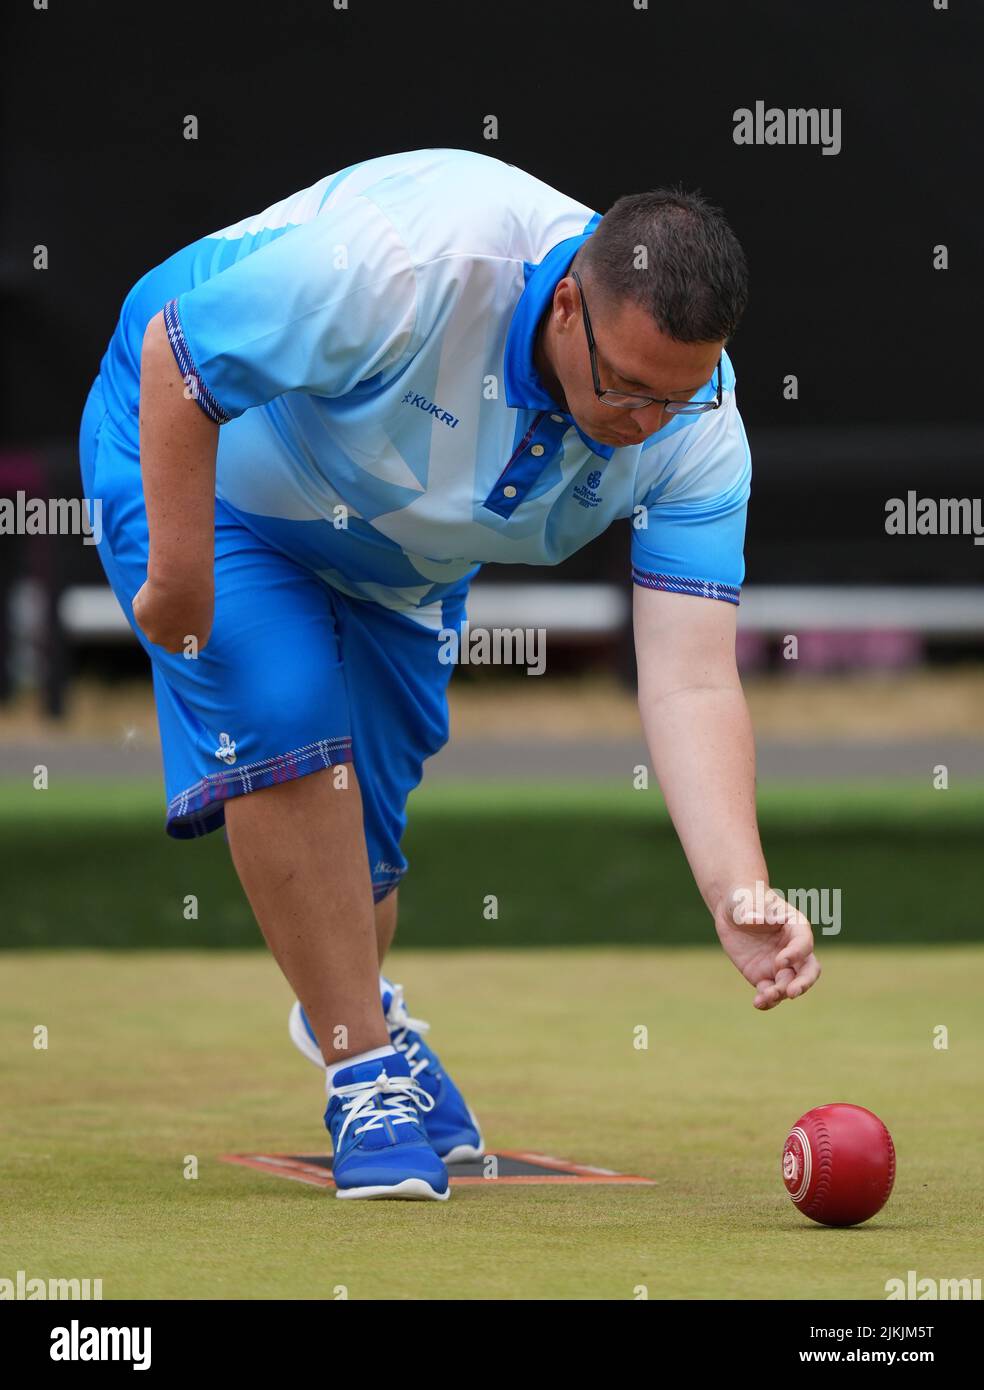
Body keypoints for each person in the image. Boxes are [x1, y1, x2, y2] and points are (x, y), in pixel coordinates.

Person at [79, 147, 821, 1202]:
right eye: (628, 389)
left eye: (680, 397)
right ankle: (364, 1072)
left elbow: (692, 680)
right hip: (217, 476)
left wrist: (736, 887)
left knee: (364, 851)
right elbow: (179, 356)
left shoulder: (701, 432)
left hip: (395, 561)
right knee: (282, 710)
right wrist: (179, 581)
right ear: (567, 305)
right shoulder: (407, 266)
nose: (646, 424)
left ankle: (357, 1004)